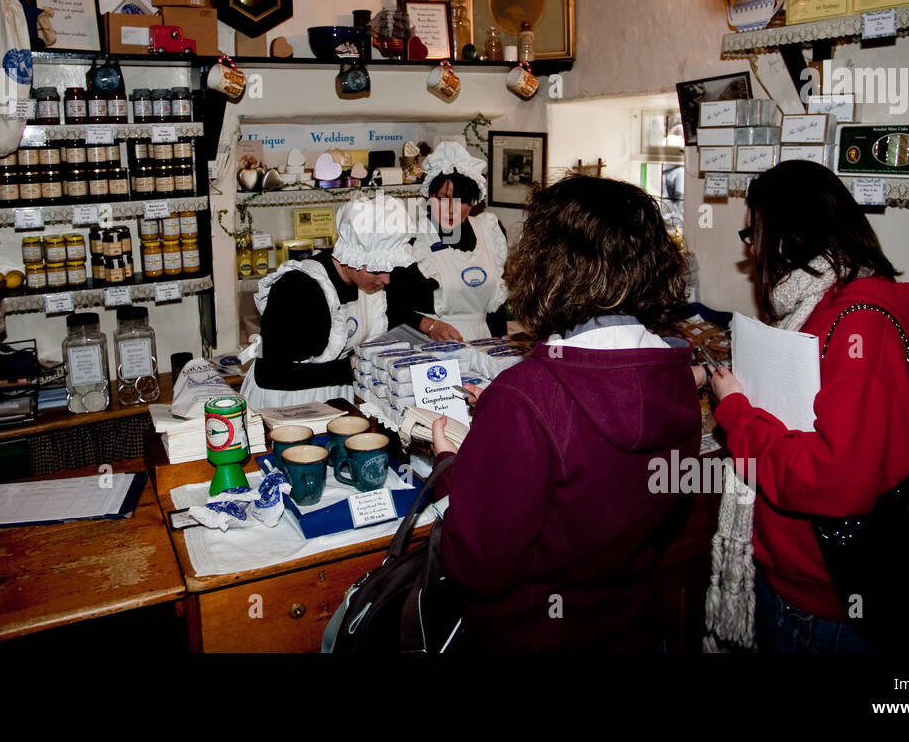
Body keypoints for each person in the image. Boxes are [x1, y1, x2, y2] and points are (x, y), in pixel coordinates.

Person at [429, 175, 702, 651]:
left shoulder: (524, 397)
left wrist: (452, 466)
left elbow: (479, 565)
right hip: (634, 628)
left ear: (545, 266)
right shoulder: (676, 376)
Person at [702, 160, 909, 653]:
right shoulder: (824, 307)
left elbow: (834, 479)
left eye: (753, 231)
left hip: (823, 606)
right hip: (798, 579)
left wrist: (738, 412)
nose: (750, 248)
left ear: (787, 237)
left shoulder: (859, 325)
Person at [239, 195, 415, 408]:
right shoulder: (297, 288)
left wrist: (426, 325)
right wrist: (348, 368)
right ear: (353, 256)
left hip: (334, 394)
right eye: (378, 270)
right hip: (284, 401)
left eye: (390, 269)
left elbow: (390, 312)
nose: (386, 279)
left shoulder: (366, 282)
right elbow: (270, 373)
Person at [388, 140, 508, 341]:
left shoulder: (490, 232)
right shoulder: (412, 240)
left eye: (461, 199)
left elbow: (497, 308)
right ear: (429, 195)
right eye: (443, 197)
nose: (450, 207)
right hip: (427, 346)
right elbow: (390, 308)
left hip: (482, 343)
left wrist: (501, 348)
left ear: (474, 201)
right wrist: (428, 325)